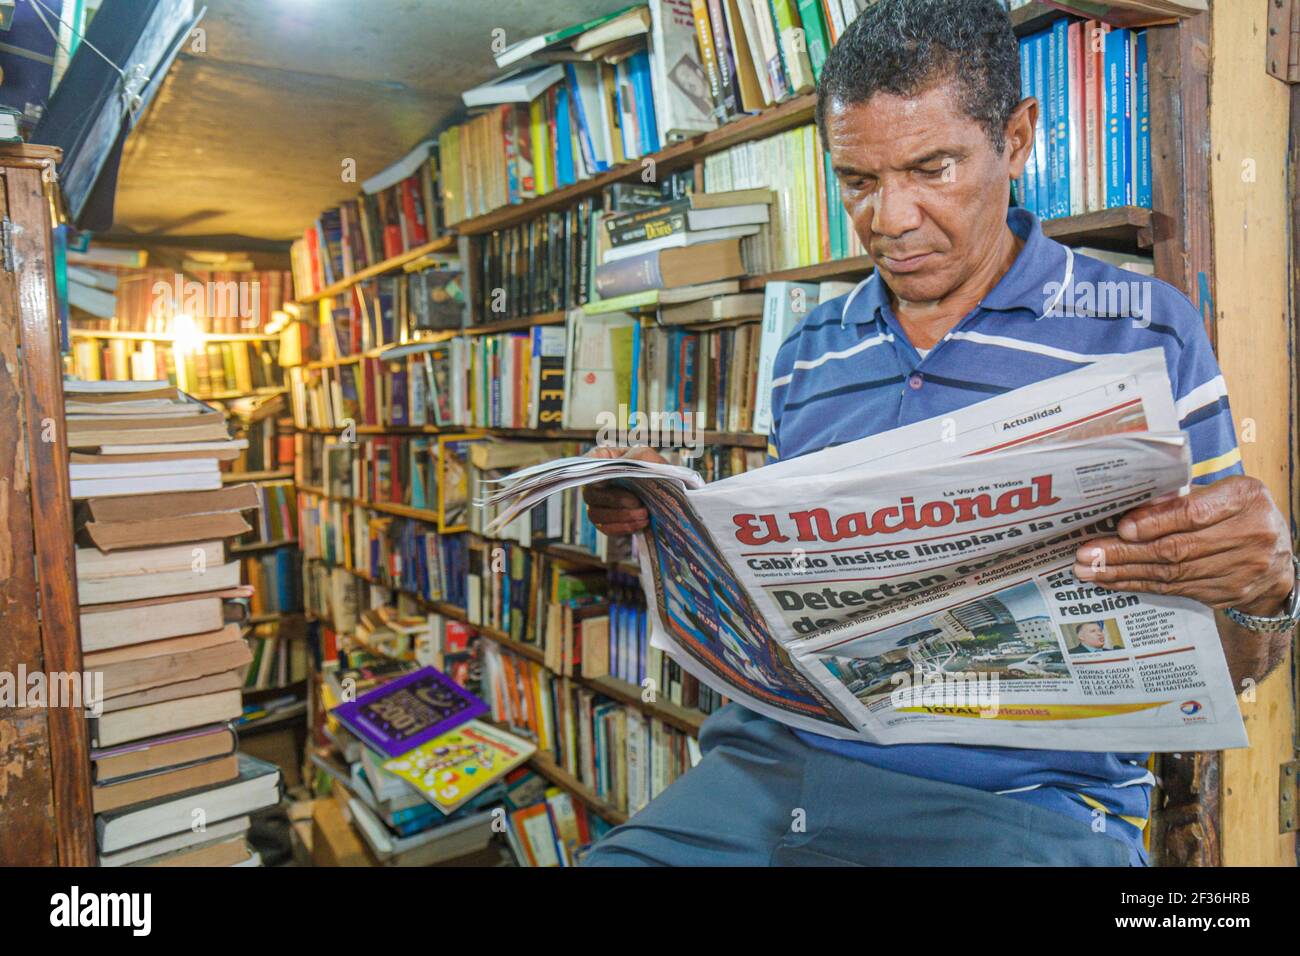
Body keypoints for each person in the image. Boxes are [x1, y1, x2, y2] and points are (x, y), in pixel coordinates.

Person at [579, 0, 1297, 867]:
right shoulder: (809, 351)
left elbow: (1234, 665)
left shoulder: (1143, 331)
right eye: (858, 180)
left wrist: (1265, 594)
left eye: (932, 167)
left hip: (1023, 807)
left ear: (1018, 138)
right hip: (775, 768)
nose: (891, 219)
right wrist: (675, 532)